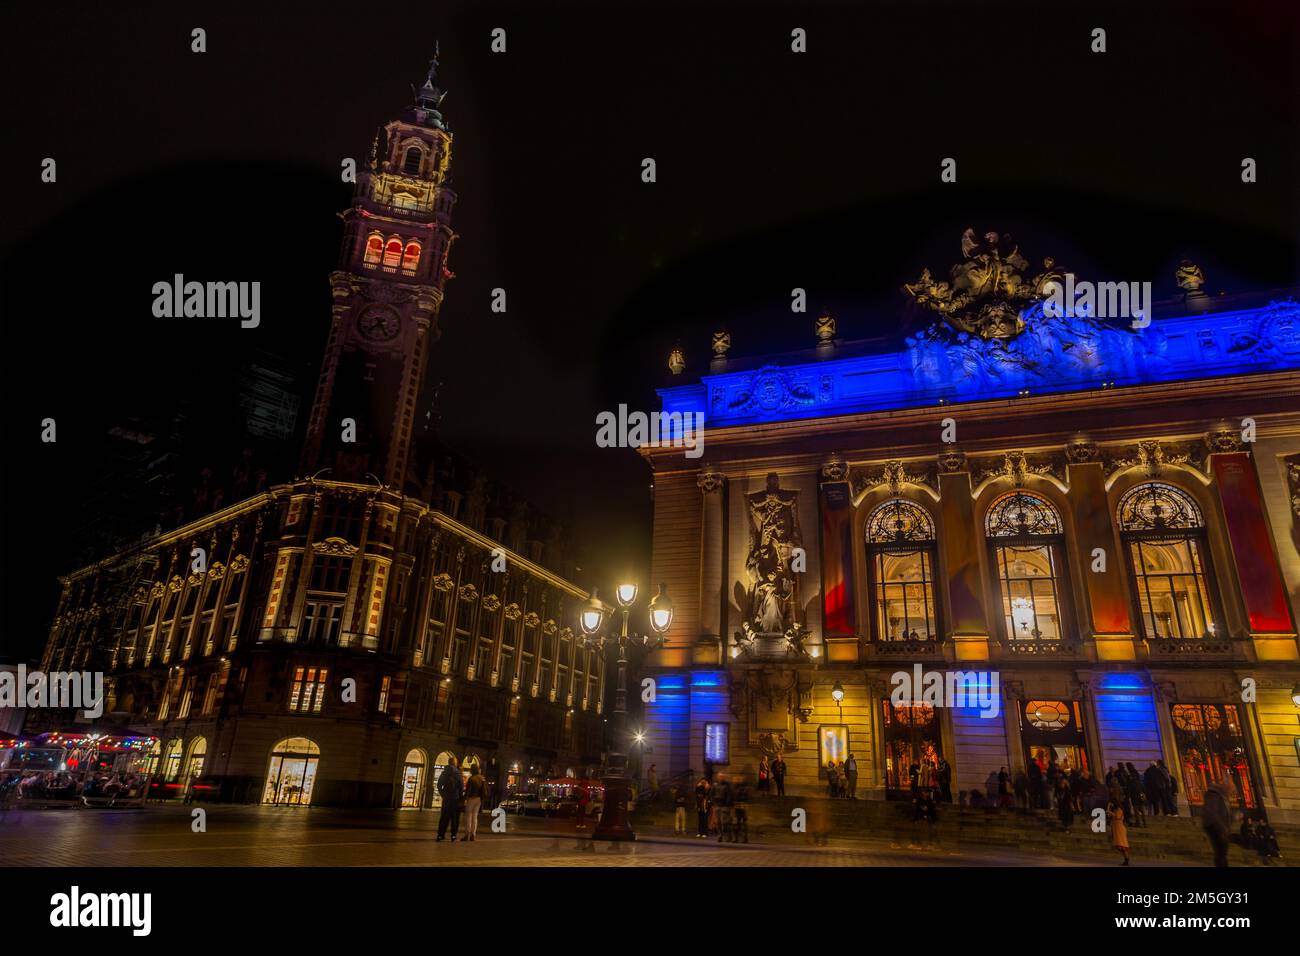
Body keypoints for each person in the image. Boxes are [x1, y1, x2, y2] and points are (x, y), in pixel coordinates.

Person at [1202, 782, 1232, 867]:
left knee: (1222, 853)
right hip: (1214, 826)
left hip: (1219, 826)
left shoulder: (1222, 797)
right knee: (1220, 852)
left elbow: (1224, 813)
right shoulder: (1214, 795)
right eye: (1230, 790)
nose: (1231, 792)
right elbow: (1213, 813)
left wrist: (1234, 817)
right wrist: (1222, 828)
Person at [436, 756, 464, 842]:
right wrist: (460, 798)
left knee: (444, 817)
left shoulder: (445, 772)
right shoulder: (458, 773)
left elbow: (439, 785)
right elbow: (461, 787)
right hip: (455, 799)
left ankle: (440, 835)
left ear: (448, 763)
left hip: (446, 798)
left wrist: (443, 794)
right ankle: (453, 835)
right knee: (454, 818)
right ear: (455, 763)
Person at [463, 764, 487, 841]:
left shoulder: (471, 778)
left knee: (468, 816)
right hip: (479, 799)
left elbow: (468, 790)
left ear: (472, 770)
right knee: (475, 816)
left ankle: (467, 834)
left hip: (471, 798)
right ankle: (473, 834)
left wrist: (465, 799)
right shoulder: (482, 778)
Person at [1107, 797, 1130, 866]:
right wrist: (1108, 807)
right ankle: (1126, 859)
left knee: (1122, 845)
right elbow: (1108, 814)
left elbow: (1117, 817)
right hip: (1116, 829)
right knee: (1118, 845)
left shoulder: (1119, 810)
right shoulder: (1114, 810)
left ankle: (1127, 859)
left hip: (1120, 829)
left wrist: (1110, 812)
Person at [732, 778, 750, 843]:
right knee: (738, 823)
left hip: (742, 806)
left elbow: (743, 797)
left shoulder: (742, 788)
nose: (734, 781)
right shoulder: (736, 788)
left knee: (742, 823)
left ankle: (743, 838)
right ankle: (738, 838)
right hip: (738, 806)